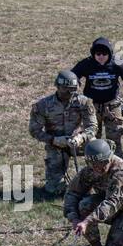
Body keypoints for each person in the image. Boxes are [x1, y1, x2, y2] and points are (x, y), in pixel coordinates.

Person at [63, 139, 123, 246]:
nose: (99, 168)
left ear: (109, 158)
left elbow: (112, 203)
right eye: (94, 164)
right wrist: (74, 218)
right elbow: (73, 193)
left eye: (103, 163)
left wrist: (87, 221)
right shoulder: (90, 169)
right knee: (84, 205)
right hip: (108, 208)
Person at [28, 71, 95, 200]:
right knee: (53, 189)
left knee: (94, 145)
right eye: (65, 89)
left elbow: (92, 126)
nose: (69, 93)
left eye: (72, 90)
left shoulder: (85, 103)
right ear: (57, 87)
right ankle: (62, 184)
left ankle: (95, 178)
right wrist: (54, 140)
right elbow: (34, 130)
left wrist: (81, 138)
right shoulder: (43, 105)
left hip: (78, 142)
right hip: (56, 144)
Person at [71, 37, 123, 156]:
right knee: (91, 141)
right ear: (93, 54)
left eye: (104, 53)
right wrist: (74, 92)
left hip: (112, 106)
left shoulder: (117, 63)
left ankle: (116, 169)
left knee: (114, 141)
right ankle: (93, 169)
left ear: (110, 53)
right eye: (98, 54)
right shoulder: (87, 64)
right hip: (91, 107)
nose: (101, 56)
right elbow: (71, 77)